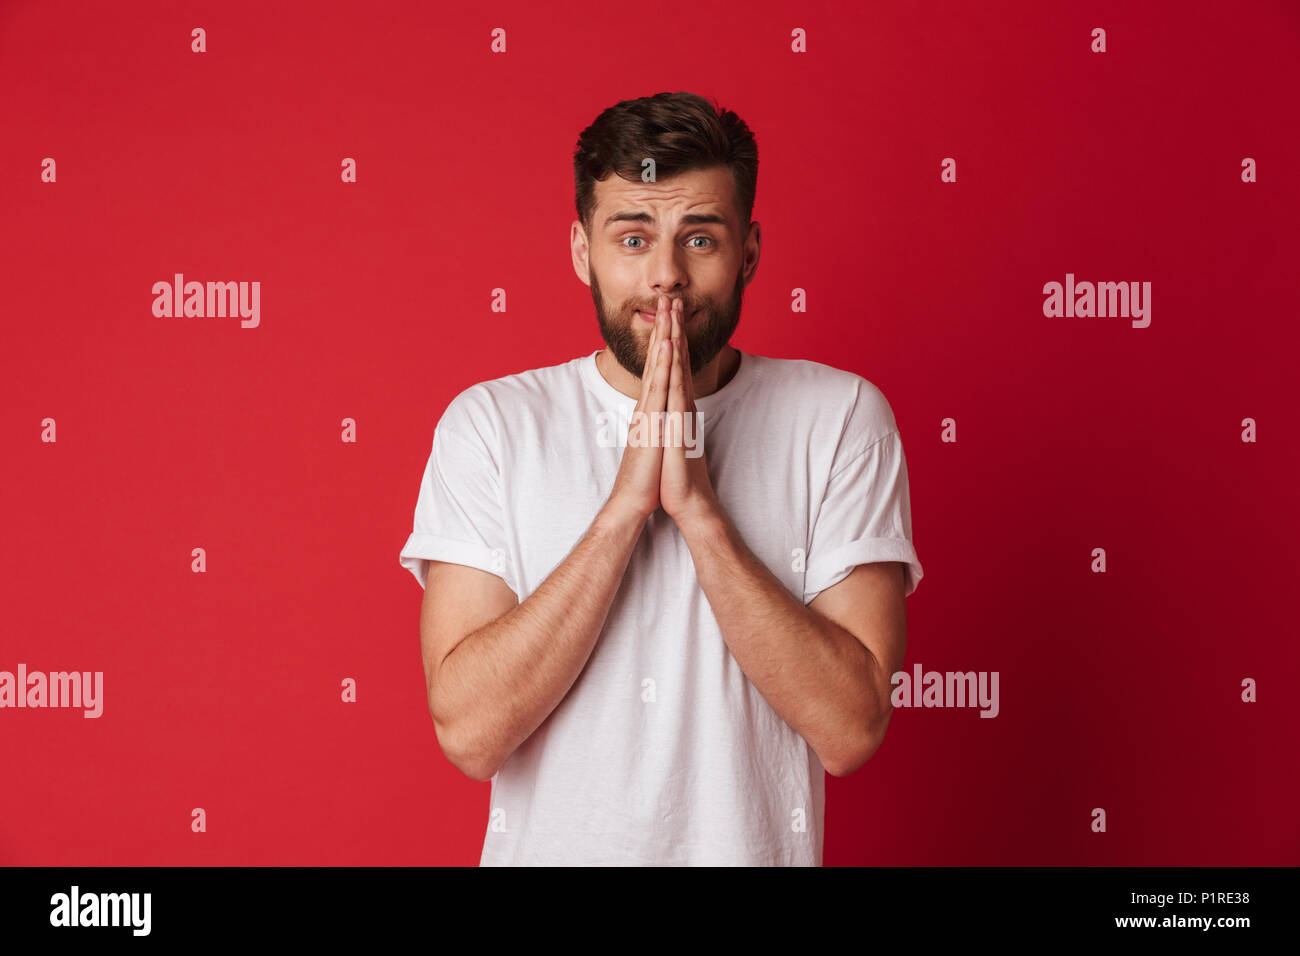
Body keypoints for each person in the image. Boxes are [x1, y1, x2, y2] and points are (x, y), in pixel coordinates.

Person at [399, 91, 923, 866]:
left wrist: (699, 511)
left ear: (748, 251)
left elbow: (850, 731)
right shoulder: (491, 425)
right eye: (634, 237)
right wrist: (624, 509)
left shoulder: (840, 416)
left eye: (700, 239)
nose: (666, 276)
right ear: (583, 251)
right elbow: (470, 735)